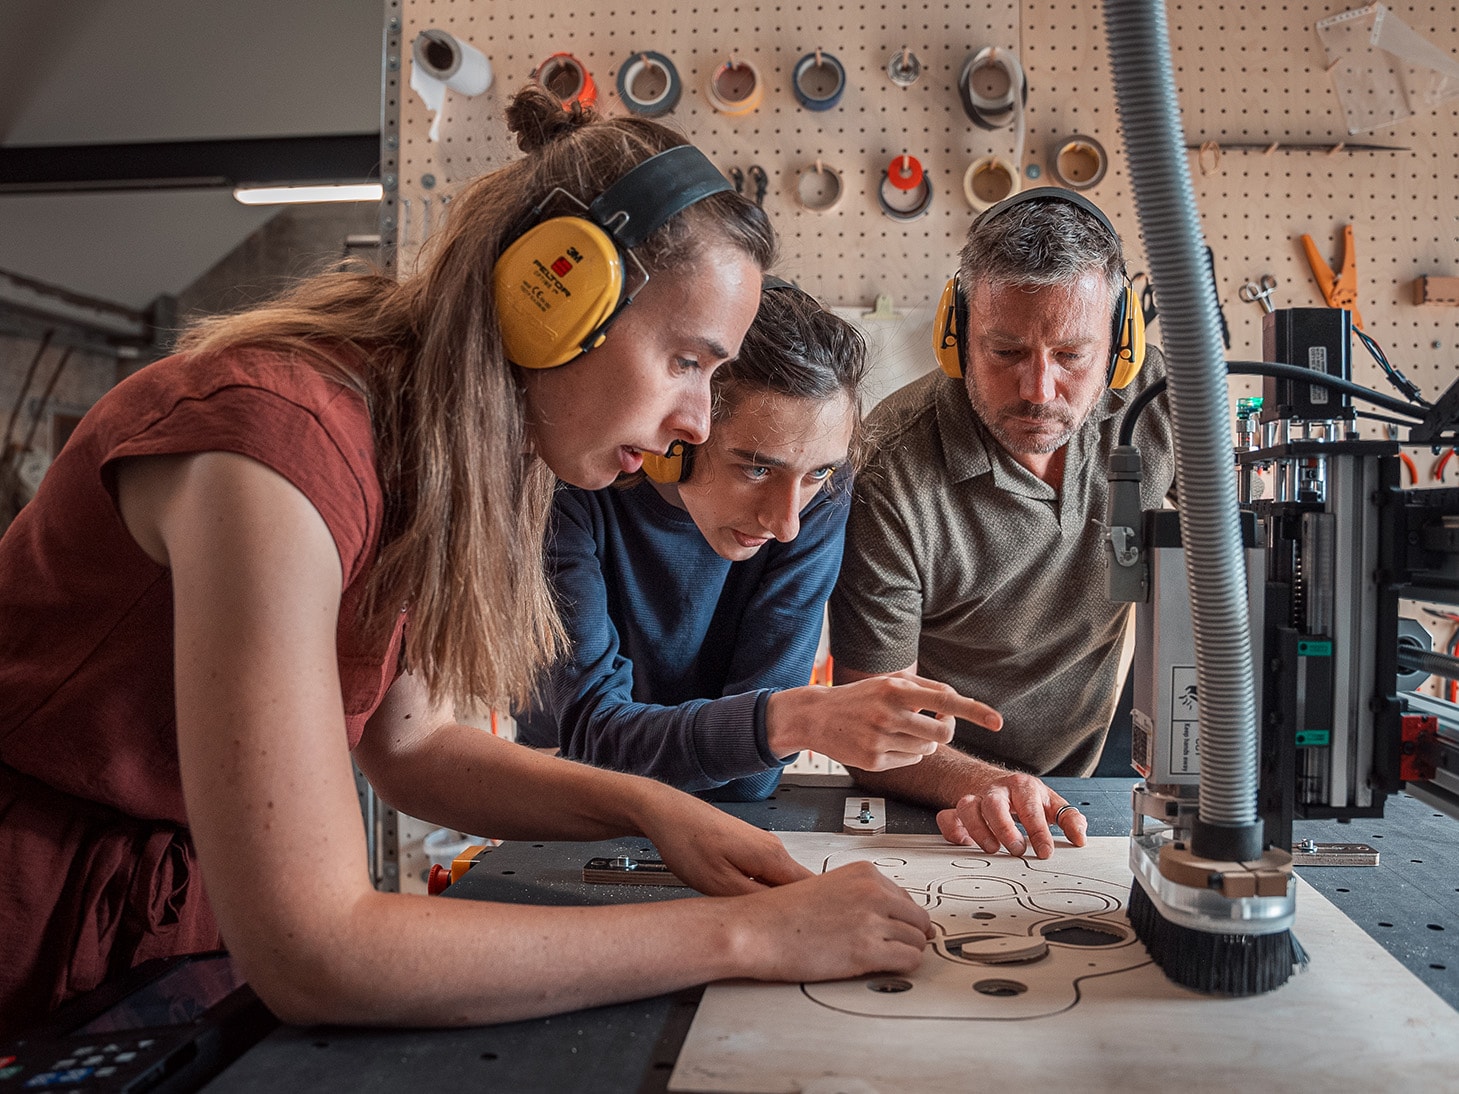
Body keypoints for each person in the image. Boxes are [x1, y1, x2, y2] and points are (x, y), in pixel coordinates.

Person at [0, 87, 935, 1037]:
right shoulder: (270, 449)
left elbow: (414, 750)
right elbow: (317, 952)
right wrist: (748, 937)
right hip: (31, 927)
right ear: (556, 295)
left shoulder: (433, 452)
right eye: (688, 362)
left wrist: (655, 810)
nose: (695, 422)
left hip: (170, 939)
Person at [517, 282, 1000, 799]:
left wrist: (769, 727)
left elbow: (751, 781)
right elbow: (590, 743)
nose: (787, 524)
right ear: (679, 434)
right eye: (755, 468)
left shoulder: (822, 496)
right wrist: (788, 722)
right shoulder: (566, 489)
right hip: (565, 805)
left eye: (817, 473)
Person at [829, 187, 1176, 861]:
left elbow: (1223, 603)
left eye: (1073, 355)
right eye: (1006, 351)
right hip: (942, 779)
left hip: (1112, 752)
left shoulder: (1161, 407)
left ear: (1121, 344)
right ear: (955, 338)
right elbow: (873, 735)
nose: (1038, 390)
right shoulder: (888, 473)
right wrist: (991, 783)